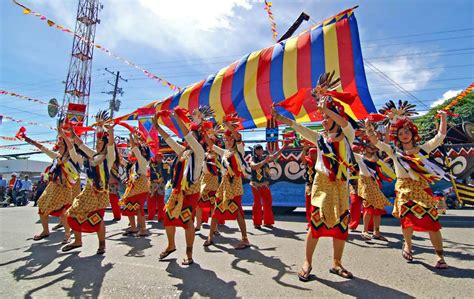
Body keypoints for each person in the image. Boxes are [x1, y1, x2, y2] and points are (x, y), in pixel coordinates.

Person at [272, 72, 357, 281]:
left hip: (340, 186)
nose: (325, 120)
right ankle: (307, 261)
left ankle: (336, 263)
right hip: (321, 184)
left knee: (341, 225)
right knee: (316, 224)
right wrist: (282, 118)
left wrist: (326, 106)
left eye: (329, 118)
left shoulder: (348, 136)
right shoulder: (320, 139)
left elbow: (345, 123)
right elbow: (298, 128)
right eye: (324, 118)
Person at [366, 103, 449, 269]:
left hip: (421, 189)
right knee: (407, 221)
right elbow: (377, 143)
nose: (404, 135)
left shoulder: (423, 149)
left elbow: (440, 137)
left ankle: (440, 257)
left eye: (407, 132)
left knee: (432, 223)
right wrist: (369, 130)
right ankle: (408, 245)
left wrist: (443, 117)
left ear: (413, 133)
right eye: (401, 133)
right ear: (397, 136)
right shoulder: (394, 151)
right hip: (403, 189)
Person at [153, 110, 205, 266]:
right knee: (168, 218)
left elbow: (188, 135)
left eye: (192, 136)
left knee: (187, 221)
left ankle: (189, 252)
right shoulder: (183, 152)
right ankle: (171, 245)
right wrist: (157, 127)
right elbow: (169, 140)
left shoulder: (200, 152)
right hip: (177, 192)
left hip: (190, 192)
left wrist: (176, 118)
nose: (188, 138)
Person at [62, 113, 116, 254]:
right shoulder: (93, 155)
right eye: (97, 143)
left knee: (97, 218)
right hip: (87, 191)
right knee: (72, 213)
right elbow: (81, 144)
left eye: (99, 143)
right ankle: (78, 241)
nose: (97, 144)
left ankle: (102, 244)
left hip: (100, 193)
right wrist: (72, 132)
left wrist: (107, 129)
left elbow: (110, 144)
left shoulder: (109, 157)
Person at [22, 129, 78, 244]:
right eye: (60, 144)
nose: (60, 146)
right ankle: (45, 231)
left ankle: (67, 234)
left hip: (64, 188)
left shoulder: (72, 157)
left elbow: (71, 147)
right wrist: (31, 141)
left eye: (63, 144)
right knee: (42, 207)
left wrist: (63, 135)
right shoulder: (56, 157)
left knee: (63, 212)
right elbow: (44, 149)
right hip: (52, 187)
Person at [203, 116, 250, 250]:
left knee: (238, 211)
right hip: (224, 183)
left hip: (235, 183)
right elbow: (210, 145)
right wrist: (203, 131)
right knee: (217, 209)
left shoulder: (239, 150)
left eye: (230, 139)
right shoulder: (224, 152)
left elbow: (238, 135)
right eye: (226, 139)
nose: (228, 141)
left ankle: (245, 238)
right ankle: (210, 236)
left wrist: (227, 125)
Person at [353, 138, 395, 241]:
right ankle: (365, 231)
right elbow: (348, 151)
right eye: (370, 146)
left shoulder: (378, 160)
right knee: (368, 207)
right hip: (366, 185)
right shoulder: (360, 158)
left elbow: (385, 169)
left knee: (378, 208)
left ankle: (376, 232)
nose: (372, 147)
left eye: (374, 146)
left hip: (375, 184)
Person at [120, 131, 151, 236]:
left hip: (140, 187)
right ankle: (134, 227)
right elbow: (122, 161)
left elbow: (134, 148)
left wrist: (130, 136)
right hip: (134, 187)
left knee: (138, 208)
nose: (132, 152)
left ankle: (143, 229)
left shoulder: (142, 161)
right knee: (129, 206)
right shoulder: (133, 164)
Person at [250, 144, 284, 229]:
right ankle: (257, 223)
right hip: (255, 185)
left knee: (268, 203)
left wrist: (284, 146)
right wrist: (264, 162)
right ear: (255, 151)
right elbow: (253, 166)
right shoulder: (253, 158)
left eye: (260, 149)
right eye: (257, 150)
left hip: (264, 184)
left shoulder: (265, 157)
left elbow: (275, 156)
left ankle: (268, 222)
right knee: (257, 204)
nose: (259, 151)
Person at [300, 142, 317, 225]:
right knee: (309, 204)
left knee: (318, 204)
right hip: (309, 185)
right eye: (312, 153)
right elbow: (302, 158)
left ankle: (317, 222)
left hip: (319, 185)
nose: (313, 155)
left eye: (315, 153)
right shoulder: (307, 160)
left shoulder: (321, 161)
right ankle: (310, 223)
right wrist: (304, 149)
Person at [147, 152, 167, 222]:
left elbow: (167, 173)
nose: (159, 159)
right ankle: (150, 216)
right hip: (153, 183)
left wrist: (164, 179)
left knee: (161, 201)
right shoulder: (152, 164)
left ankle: (161, 217)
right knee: (151, 200)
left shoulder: (165, 164)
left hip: (161, 184)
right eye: (158, 157)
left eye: (160, 157)